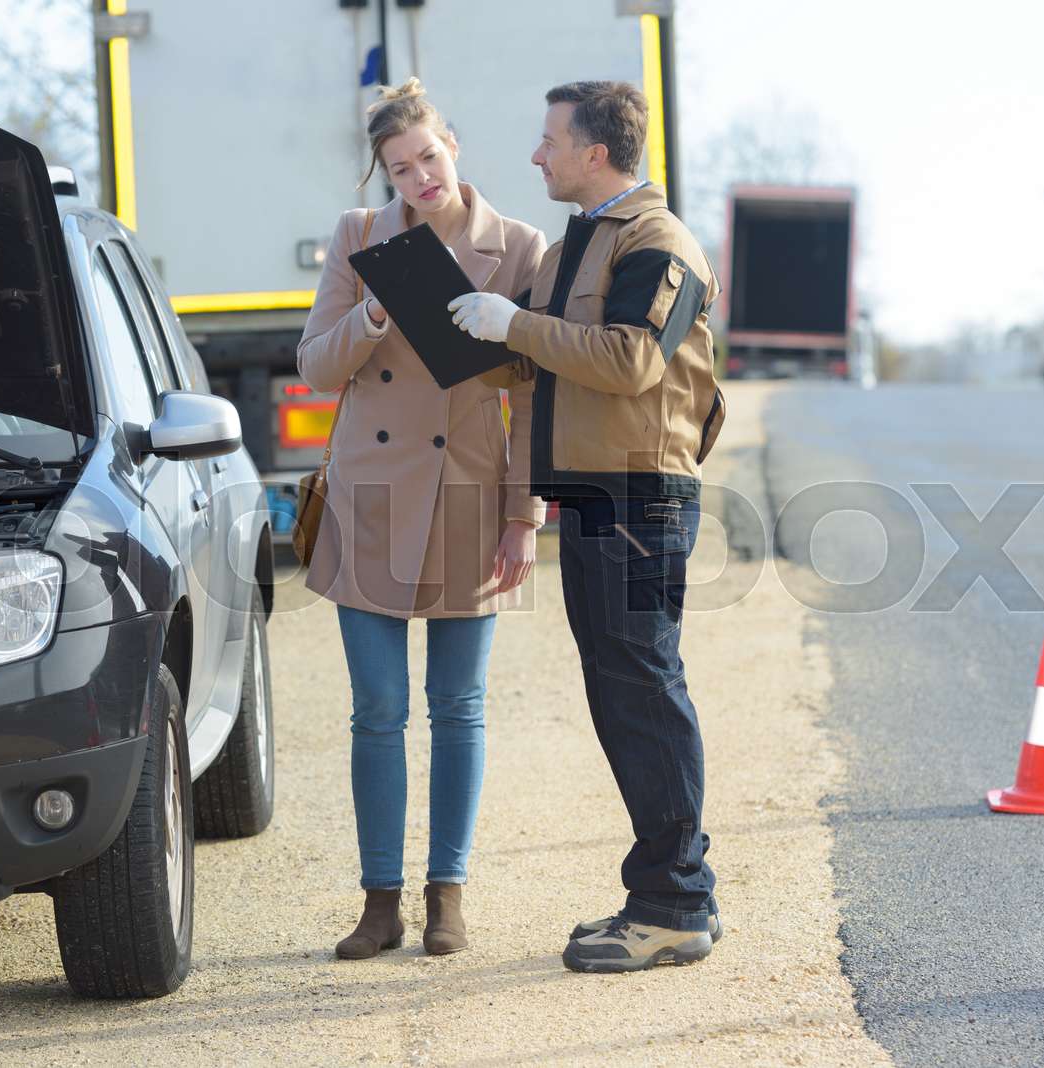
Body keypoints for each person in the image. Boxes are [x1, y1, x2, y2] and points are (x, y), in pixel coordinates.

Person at [449, 81, 726, 973]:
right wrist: (461, 329)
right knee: (625, 695)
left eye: (549, 140)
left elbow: (633, 361)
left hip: (642, 501)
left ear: (596, 152)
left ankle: (676, 905)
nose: (537, 155)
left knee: (644, 693)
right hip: (596, 499)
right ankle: (666, 896)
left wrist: (518, 324)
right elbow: (540, 370)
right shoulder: (583, 244)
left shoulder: (656, 242)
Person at [297, 78, 547, 959]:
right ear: (386, 175)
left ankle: (449, 894)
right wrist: (369, 312)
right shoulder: (359, 237)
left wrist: (524, 517)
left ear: (454, 148)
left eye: (429, 159)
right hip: (369, 497)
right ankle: (379, 900)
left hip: (469, 497)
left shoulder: (519, 247)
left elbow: (532, 402)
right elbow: (318, 366)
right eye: (401, 169)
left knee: (458, 706)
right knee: (377, 708)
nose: (419, 178)